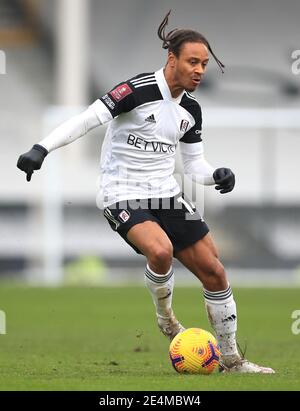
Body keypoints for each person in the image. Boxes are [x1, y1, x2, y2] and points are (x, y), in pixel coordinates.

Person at [17, 10, 274, 374]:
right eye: (193, 62)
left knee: (215, 273)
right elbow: (86, 119)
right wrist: (41, 148)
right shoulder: (135, 91)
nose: (200, 70)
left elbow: (193, 165)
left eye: (204, 64)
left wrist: (215, 174)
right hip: (121, 193)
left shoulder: (191, 110)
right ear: (172, 58)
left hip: (166, 195)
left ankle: (232, 360)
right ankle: (167, 319)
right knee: (160, 250)